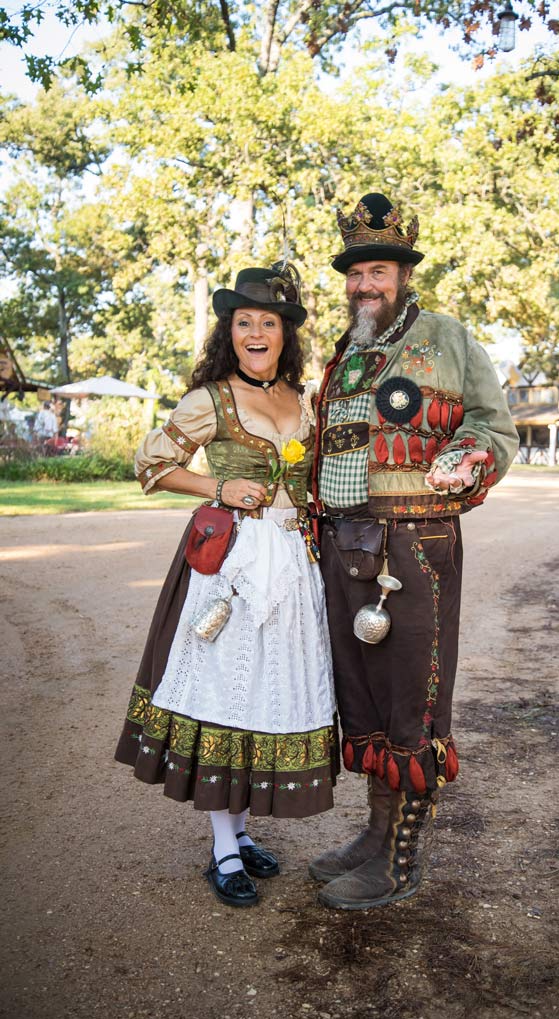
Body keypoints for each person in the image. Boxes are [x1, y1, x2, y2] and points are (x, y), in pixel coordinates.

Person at [308, 192, 519, 910]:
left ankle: (402, 857)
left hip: (415, 544)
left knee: (412, 703)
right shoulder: (345, 353)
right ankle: (372, 832)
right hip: (343, 542)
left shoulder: (448, 337)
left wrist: (467, 457)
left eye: (379, 271)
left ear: (402, 273)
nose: (366, 285)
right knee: (360, 694)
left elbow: (495, 426)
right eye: (356, 273)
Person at [115, 264, 338, 908]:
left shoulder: (303, 399)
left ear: (285, 335)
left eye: (269, 322)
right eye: (245, 322)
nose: (257, 332)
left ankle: (239, 837)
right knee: (225, 693)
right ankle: (222, 851)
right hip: (233, 566)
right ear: (230, 332)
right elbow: (150, 464)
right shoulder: (209, 399)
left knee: (265, 690)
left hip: (293, 564)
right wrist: (219, 487)